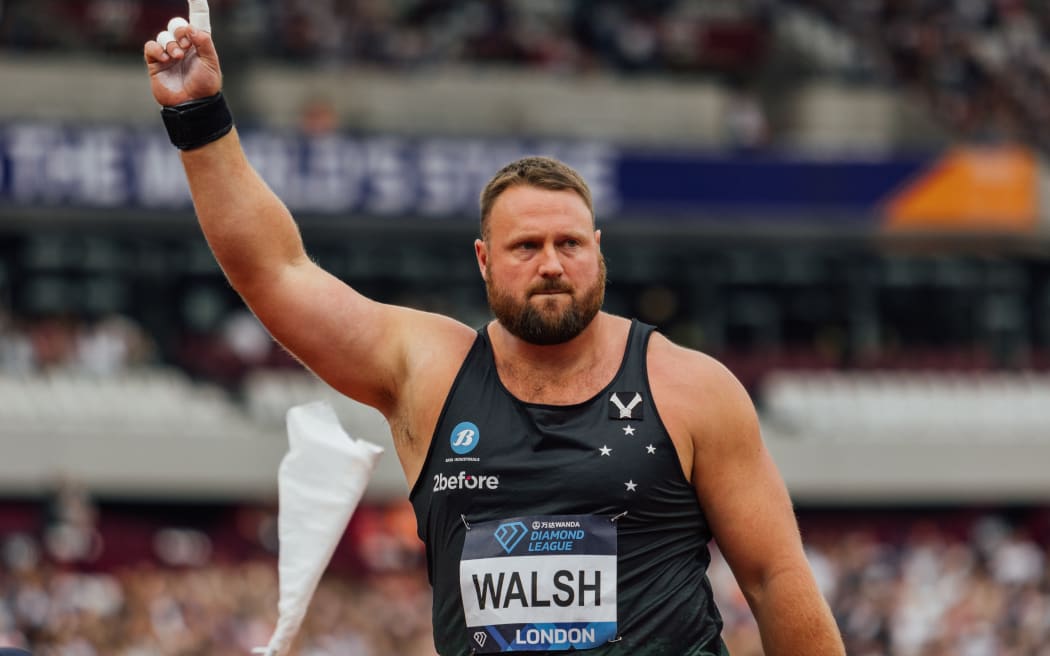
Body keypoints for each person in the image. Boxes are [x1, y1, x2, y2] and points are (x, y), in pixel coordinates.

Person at [144, 3, 845, 655]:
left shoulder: (690, 387)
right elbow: (278, 273)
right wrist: (200, 117)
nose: (550, 265)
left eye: (570, 244)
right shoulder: (429, 372)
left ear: (599, 250)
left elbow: (776, 579)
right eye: (525, 247)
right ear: (484, 261)